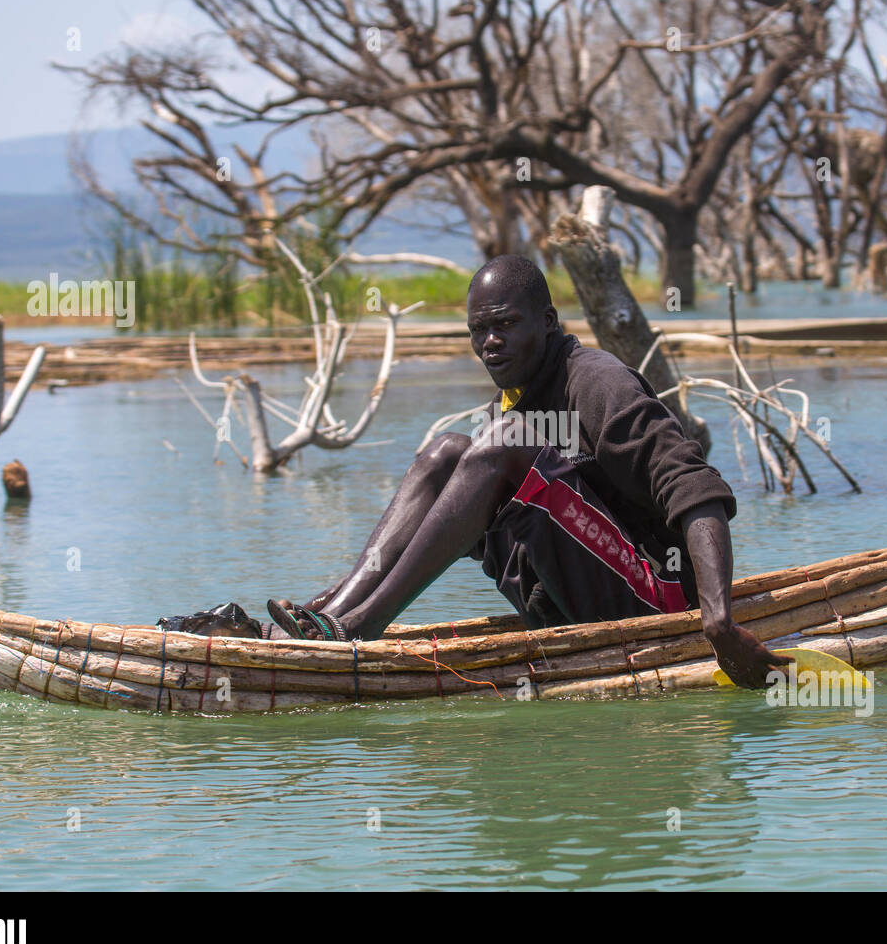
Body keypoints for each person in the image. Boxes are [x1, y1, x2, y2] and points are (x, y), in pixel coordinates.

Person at [257, 255, 787, 688]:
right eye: (479, 330)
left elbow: (696, 492)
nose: (491, 342)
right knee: (446, 451)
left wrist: (717, 620)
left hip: (657, 600)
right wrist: (332, 594)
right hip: (564, 599)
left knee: (501, 444)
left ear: (548, 323)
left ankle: (356, 630)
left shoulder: (597, 382)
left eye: (506, 324)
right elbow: (451, 529)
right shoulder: (506, 408)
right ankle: (328, 620)